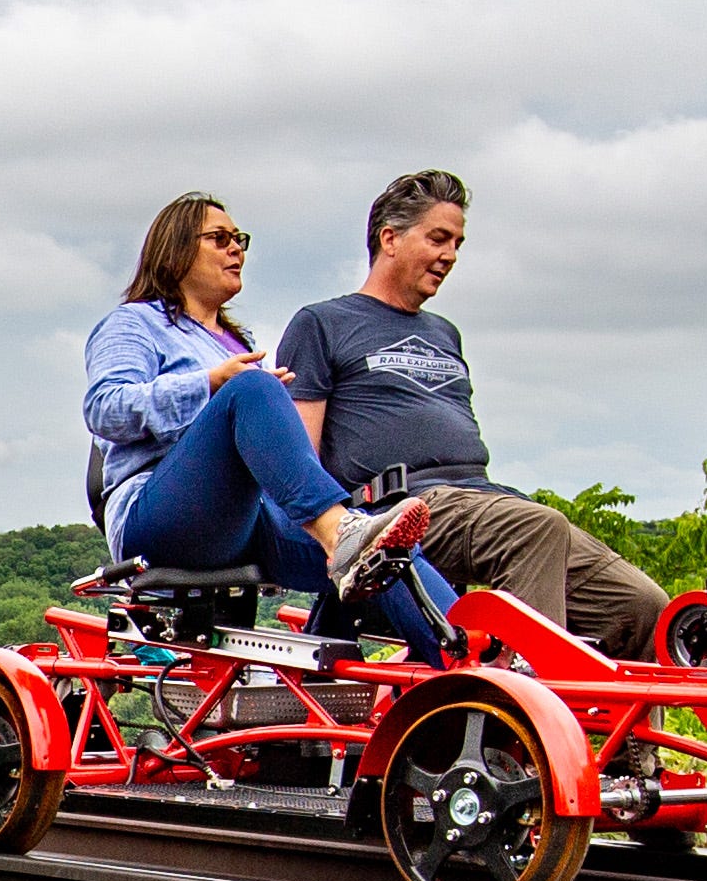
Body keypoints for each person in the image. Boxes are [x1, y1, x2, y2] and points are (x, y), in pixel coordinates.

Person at [272, 170, 668, 655]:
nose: (451, 255)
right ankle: (518, 708)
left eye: (458, 242)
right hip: (398, 509)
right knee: (535, 527)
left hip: (477, 498)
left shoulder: (445, 333)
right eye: (438, 238)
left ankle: (625, 731)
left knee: (643, 604)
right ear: (390, 239)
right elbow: (300, 459)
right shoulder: (323, 323)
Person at [82, 193, 443, 645]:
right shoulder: (134, 324)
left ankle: (477, 662)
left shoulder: (237, 340)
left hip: (246, 521)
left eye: (239, 239)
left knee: (390, 553)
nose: (237, 249)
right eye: (220, 238)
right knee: (254, 389)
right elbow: (104, 408)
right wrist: (211, 385)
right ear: (174, 251)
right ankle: (339, 533)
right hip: (155, 517)